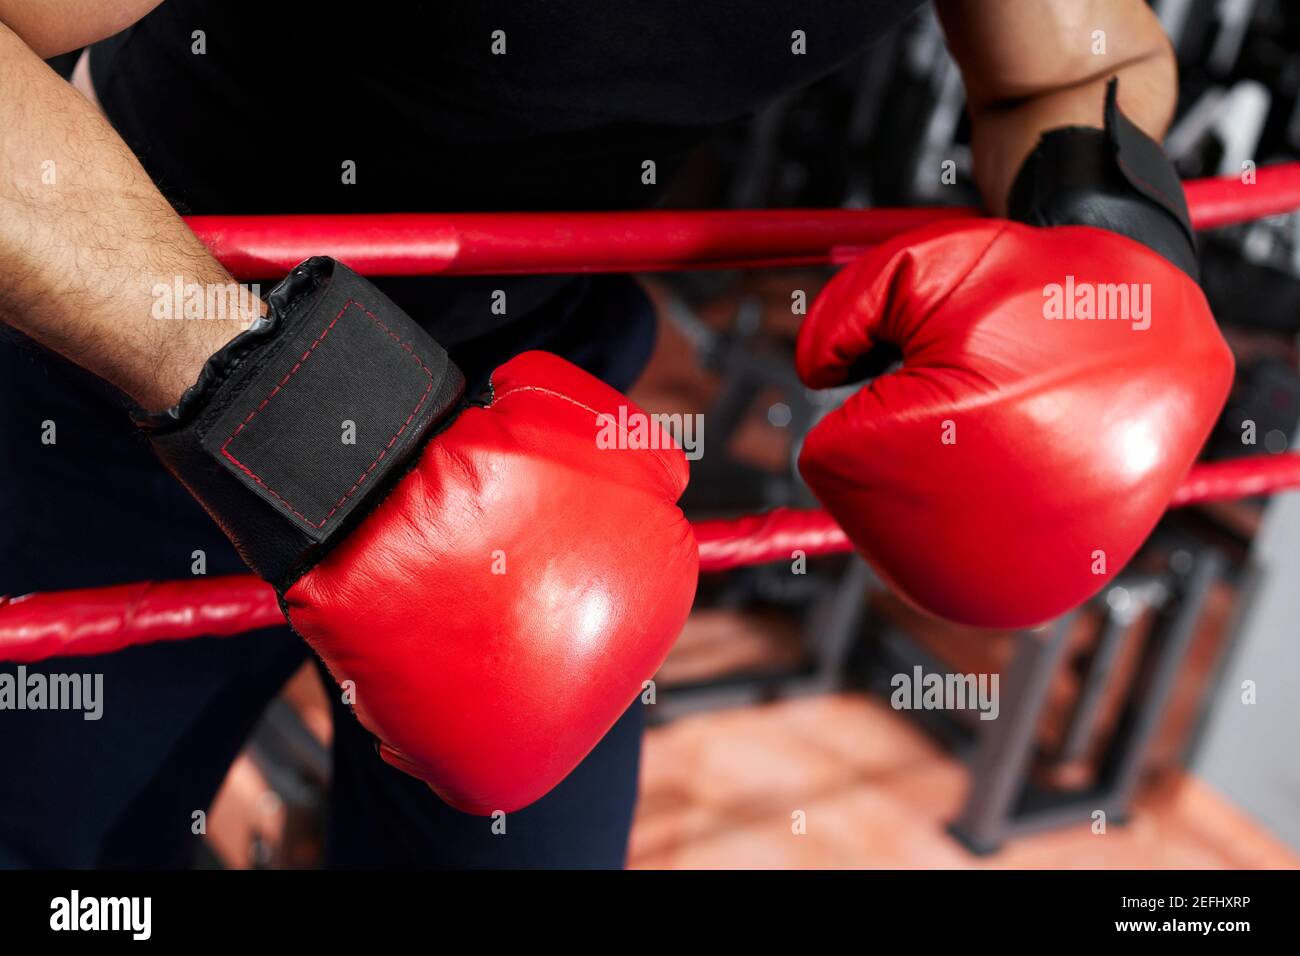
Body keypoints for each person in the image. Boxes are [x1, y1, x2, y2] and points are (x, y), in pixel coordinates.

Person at [0, 1, 1198, 868]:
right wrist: (308, 425)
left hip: (545, 392)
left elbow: (1075, 67)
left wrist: (1114, 254)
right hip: (143, 352)